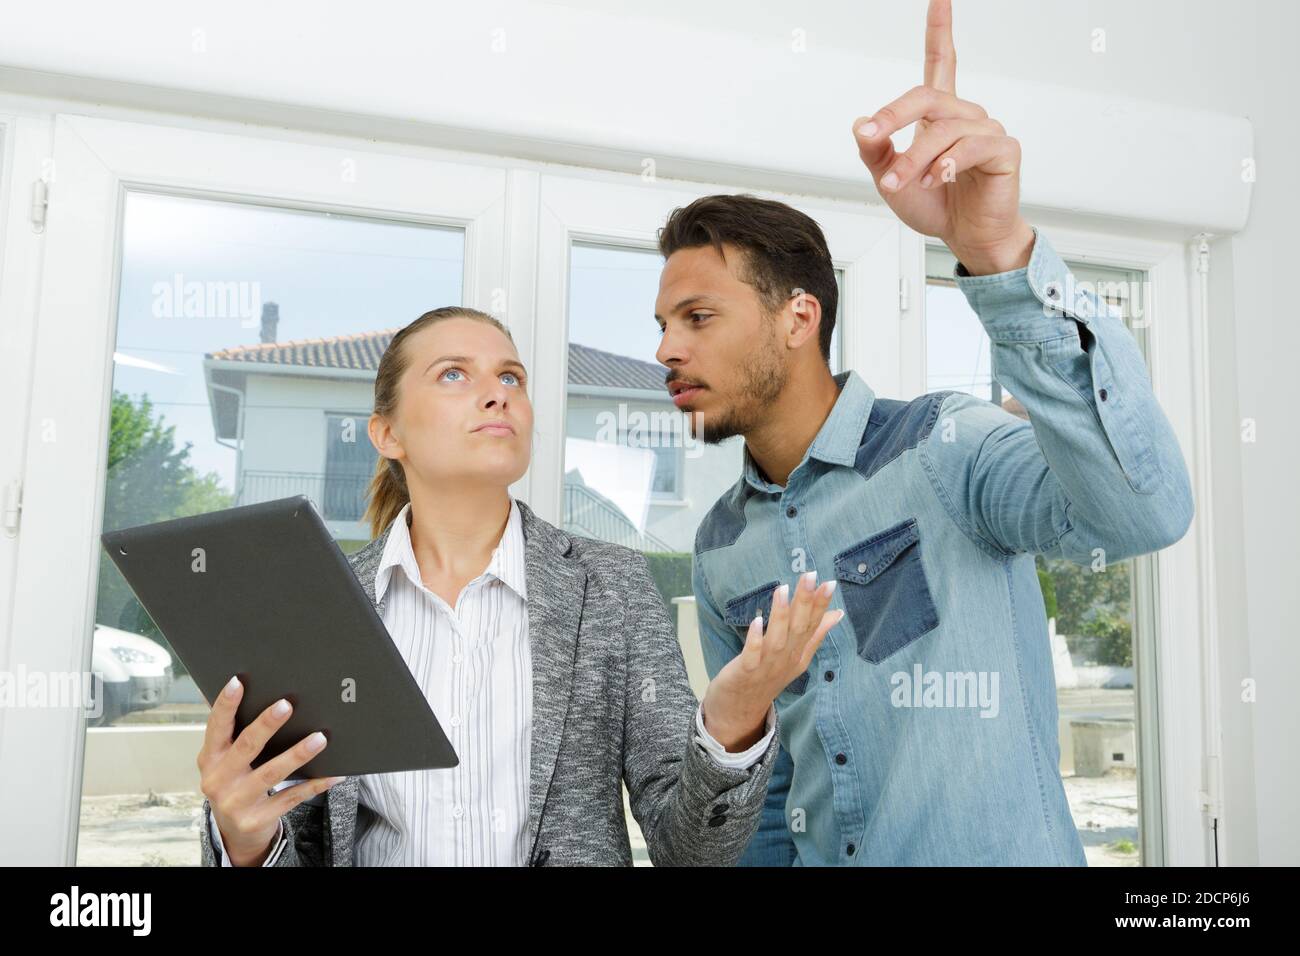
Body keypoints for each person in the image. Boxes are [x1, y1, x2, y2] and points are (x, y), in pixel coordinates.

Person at [659, 0, 1193, 865]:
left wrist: (1000, 253)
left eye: (696, 317)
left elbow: (1146, 513)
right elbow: (767, 807)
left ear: (799, 316)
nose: (665, 350)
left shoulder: (946, 447)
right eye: (662, 323)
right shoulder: (720, 548)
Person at [196, 306, 842, 866]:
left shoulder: (611, 587)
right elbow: (298, 841)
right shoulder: (318, 610)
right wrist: (243, 839)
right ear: (388, 434)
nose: (497, 392)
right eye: (454, 374)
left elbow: (691, 851)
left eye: (511, 377)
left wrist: (730, 725)